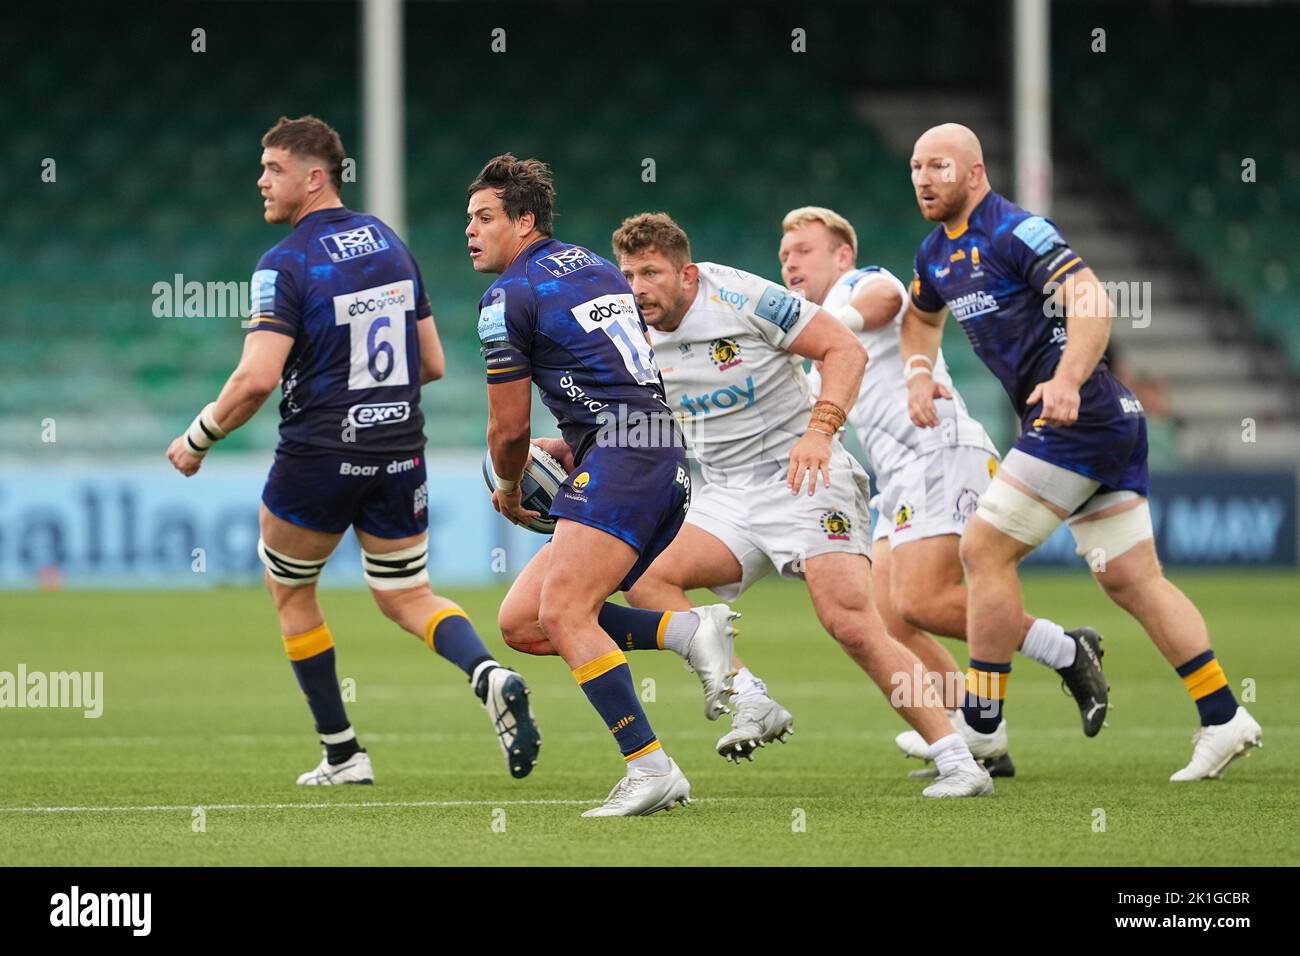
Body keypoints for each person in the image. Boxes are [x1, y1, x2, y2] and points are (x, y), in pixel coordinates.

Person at [166, 116, 540, 786]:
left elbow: (255, 378)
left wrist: (197, 440)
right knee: (407, 594)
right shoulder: (391, 247)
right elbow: (430, 362)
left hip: (318, 450)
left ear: (315, 177)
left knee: (291, 590)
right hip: (398, 447)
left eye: (273, 167)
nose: (261, 180)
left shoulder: (283, 263)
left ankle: (343, 753)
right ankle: (487, 673)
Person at [901, 123, 1261, 781]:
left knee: (983, 550)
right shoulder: (933, 254)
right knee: (1130, 579)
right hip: (1103, 423)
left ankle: (981, 726)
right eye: (918, 166)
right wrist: (919, 374)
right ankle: (1224, 717)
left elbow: (1092, 299)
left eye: (940, 166)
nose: (925, 178)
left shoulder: (1016, 231)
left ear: (976, 172)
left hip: (1081, 414)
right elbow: (921, 320)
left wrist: (1065, 380)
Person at [612, 211, 995, 797]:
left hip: (804, 476)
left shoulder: (741, 294)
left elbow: (845, 350)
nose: (638, 287)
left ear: (686, 274)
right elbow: (639, 417)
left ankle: (960, 762)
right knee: (646, 578)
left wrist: (821, 430)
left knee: (852, 624)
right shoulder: (629, 327)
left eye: (650, 273)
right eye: (629, 274)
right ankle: (751, 698)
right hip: (729, 494)